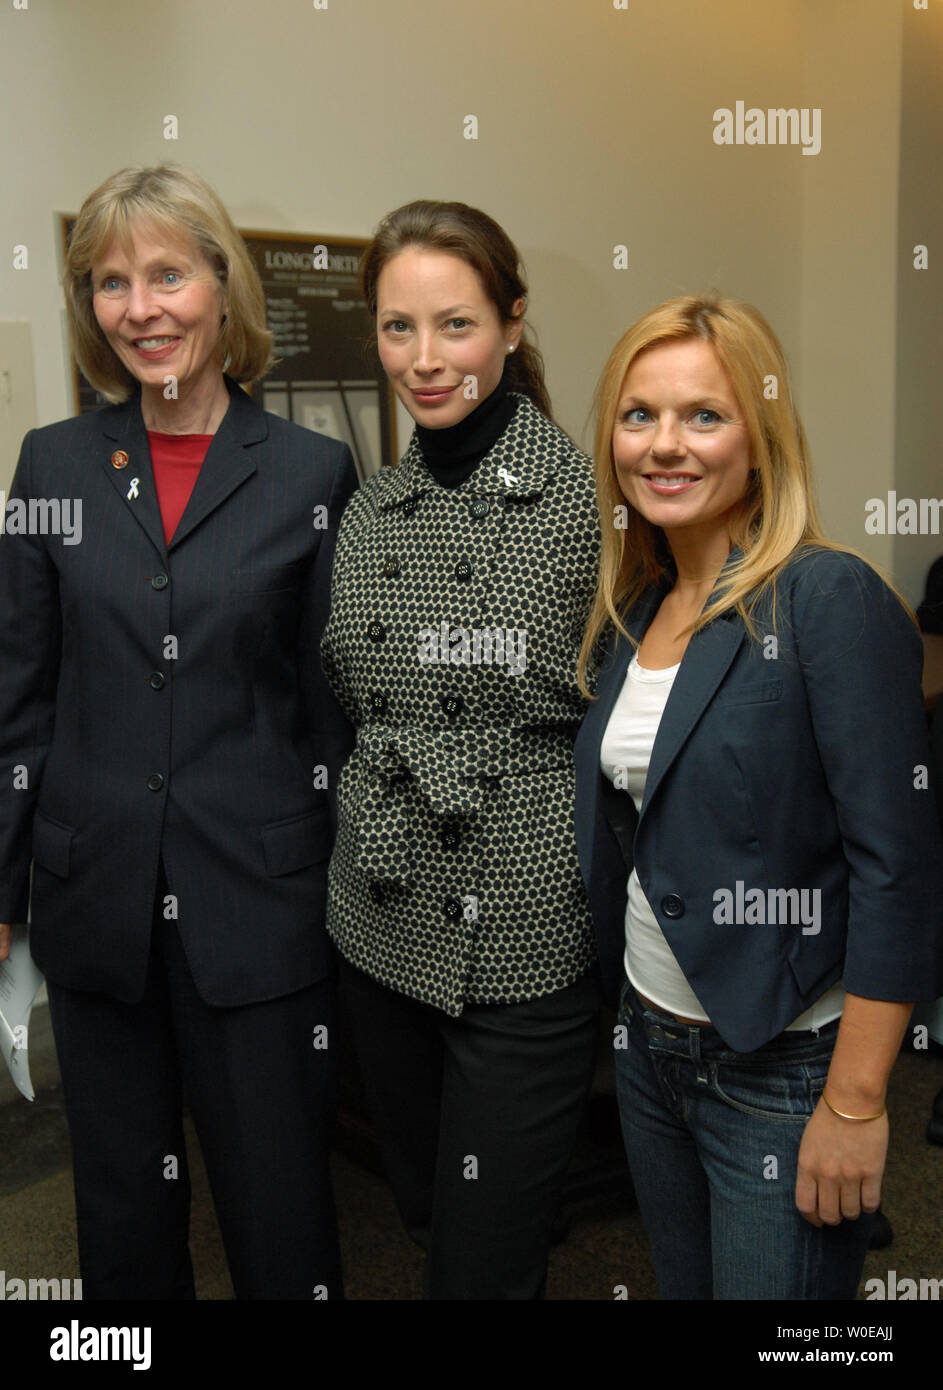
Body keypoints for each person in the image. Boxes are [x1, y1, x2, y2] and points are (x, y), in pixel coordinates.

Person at [0, 164, 357, 1299]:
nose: (141, 307)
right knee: (119, 1214)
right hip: (95, 898)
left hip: (257, 906)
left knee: (279, 1207)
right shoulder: (52, 465)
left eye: (167, 274)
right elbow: (19, 692)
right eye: (111, 282)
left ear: (221, 285)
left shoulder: (311, 470)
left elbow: (326, 706)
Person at [573, 292, 943, 1300]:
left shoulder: (825, 597)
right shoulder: (639, 605)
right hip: (652, 1047)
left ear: (759, 437)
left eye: (704, 415)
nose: (664, 444)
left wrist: (858, 1103)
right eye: (638, 413)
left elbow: (898, 868)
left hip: (780, 1071)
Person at [321, 200, 601, 1299]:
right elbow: (347, 694)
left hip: (519, 917)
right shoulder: (369, 506)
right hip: (376, 902)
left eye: (456, 325)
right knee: (430, 1210)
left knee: (490, 1248)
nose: (424, 360)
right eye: (398, 329)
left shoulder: (586, 495)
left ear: (513, 322)